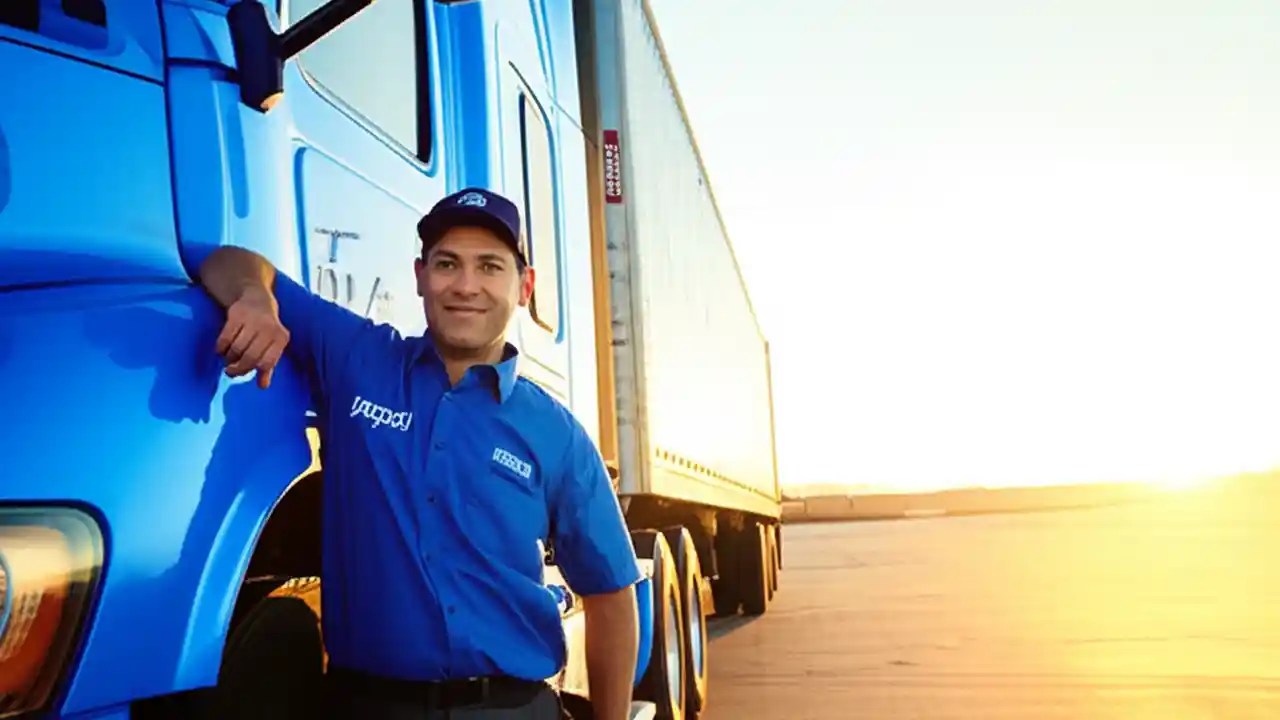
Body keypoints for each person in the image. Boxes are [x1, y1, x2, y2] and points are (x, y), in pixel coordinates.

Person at [197, 187, 643, 719]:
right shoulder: (356, 360)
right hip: (369, 706)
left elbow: (611, 595)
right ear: (419, 275)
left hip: (510, 708)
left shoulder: (557, 434)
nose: (466, 286)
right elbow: (223, 259)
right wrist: (254, 297)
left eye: (490, 267)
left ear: (524, 286)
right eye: (447, 263)